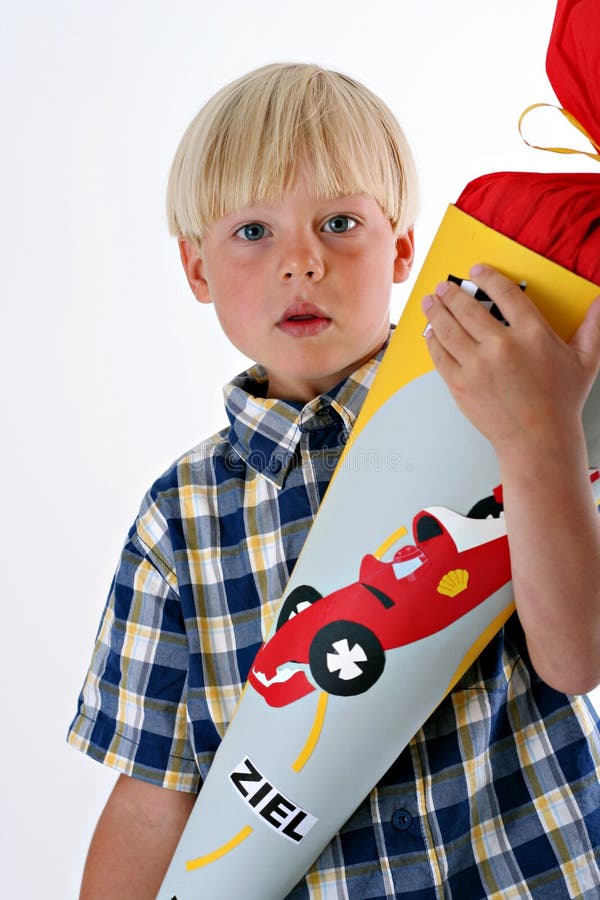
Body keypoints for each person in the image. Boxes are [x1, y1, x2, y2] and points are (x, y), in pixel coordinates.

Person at [68, 62, 600, 899]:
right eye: (253, 231)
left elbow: (577, 659)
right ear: (197, 269)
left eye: (340, 223)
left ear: (403, 250)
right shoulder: (179, 517)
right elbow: (150, 796)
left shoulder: (510, 403)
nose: (302, 262)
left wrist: (538, 440)